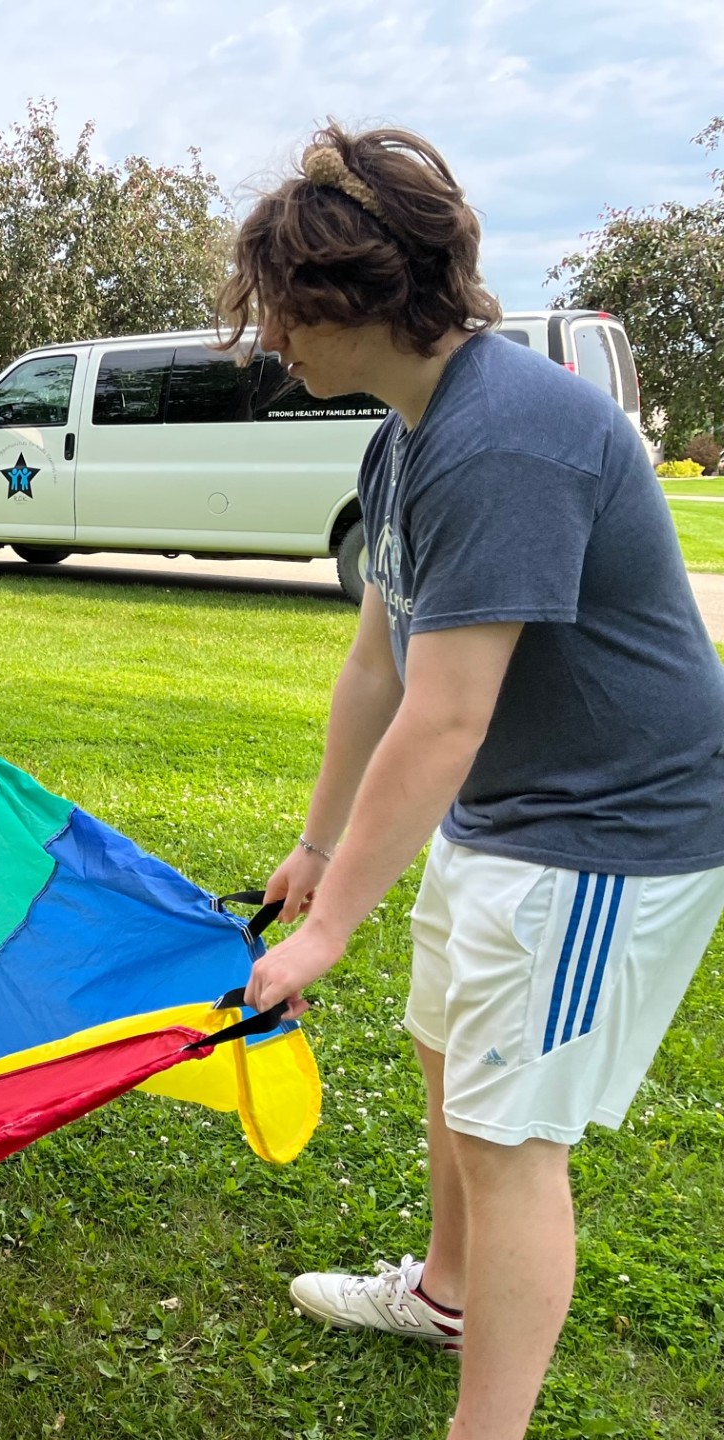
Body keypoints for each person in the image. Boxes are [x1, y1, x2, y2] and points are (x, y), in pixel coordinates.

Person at [228, 126, 724, 1439]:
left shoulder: (503, 438)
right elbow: (379, 667)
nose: (270, 337)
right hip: (512, 816)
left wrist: (331, 932)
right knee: (452, 1057)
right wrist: (322, 848)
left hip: (609, 838)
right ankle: (445, 1297)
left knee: (511, 1144)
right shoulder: (407, 438)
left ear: (360, 300)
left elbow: (449, 715)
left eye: (281, 310)